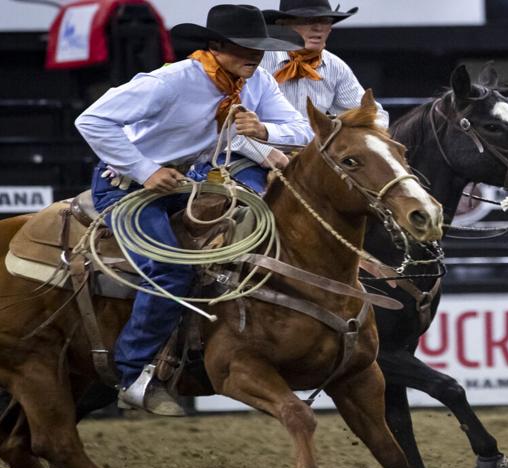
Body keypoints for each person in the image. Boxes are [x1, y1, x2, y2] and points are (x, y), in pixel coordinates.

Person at [75, 3, 313, 416]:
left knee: (237, 252)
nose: (255, 56)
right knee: (169, 267)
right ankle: (131, 375)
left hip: (188, 181)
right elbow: (92, 121)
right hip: (127, 186)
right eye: (245, 47)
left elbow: (303, 130)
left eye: (260, 47)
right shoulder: (172, 81)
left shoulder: (255, 83)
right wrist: (146, 171)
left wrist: (266, 131)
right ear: (217, 46)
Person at [257, 2, 389, 137]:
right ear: (283, 25)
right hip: (261, 150)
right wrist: (266, 153)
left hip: (314, 153)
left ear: (330, 29)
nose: (318, 27)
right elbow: (237, 123)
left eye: (325, 21)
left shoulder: (335, 67)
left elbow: (375, 116)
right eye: (308, 20)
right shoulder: (258, 61)